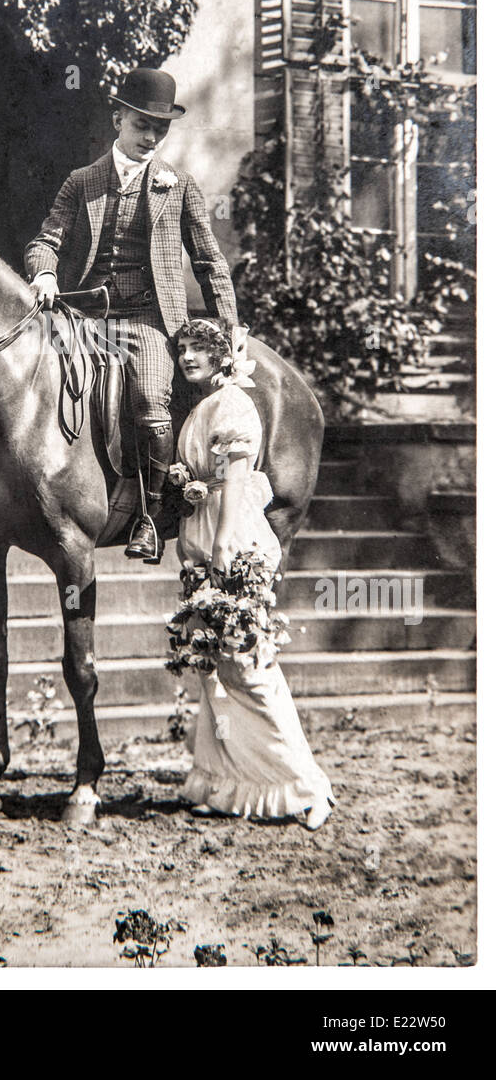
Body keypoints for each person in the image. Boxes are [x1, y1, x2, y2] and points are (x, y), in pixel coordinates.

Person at [25, 67, 238, 563]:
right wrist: (45, 274)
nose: (151, 136)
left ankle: (147, 513)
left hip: (147, 320)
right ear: (117, 118)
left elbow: (209, 260)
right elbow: (46, 240)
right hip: (82, 317)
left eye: (160, 129)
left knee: (148, 398)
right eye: (142, 124)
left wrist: (228, 329)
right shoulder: (82, 183)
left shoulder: (179, 185)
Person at [172, 318, 335, 830]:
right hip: (204, 538)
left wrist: (221, 546)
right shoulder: (203, 406)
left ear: (223, 356)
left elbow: (237, 483)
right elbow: (206, 477)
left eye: (200, 348)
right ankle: (223, 782)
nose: (188, 356)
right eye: (183, 350)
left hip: (233, 539)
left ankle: (306, 788)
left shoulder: (236, 405)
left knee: (248, 662)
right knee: (213, 666)